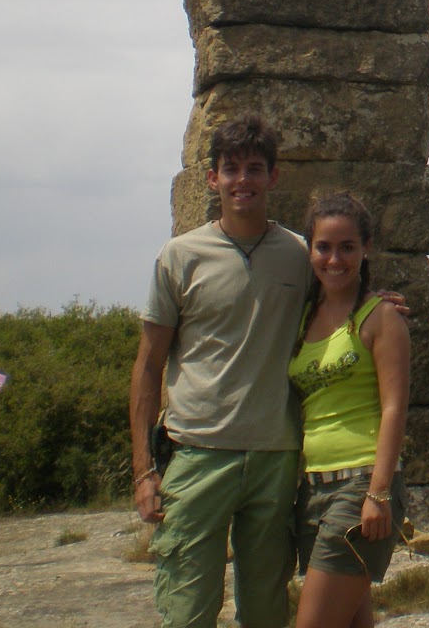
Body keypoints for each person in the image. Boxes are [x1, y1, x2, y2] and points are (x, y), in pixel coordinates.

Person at [130, 115, 407, 628]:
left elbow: (339, 286)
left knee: (266, 612)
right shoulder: (179, 257)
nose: (243, 180)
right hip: (198, 453)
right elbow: (147, 366)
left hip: (276, 462)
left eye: (254, 169)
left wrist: (378, 303)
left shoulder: (299, 255)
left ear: (273, 177)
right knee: (187, 612)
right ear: (211, 178)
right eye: (230, 169)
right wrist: (145, 469)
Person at [288, 191, 411, 628]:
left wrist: (378, 493)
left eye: (347, 247)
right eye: (323, 247)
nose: (334, 259)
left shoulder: (381, 319)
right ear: (309, 248)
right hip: (311, 490)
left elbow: (395, 408)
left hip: (359, 487)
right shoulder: (303, 316)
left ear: (366, 248)